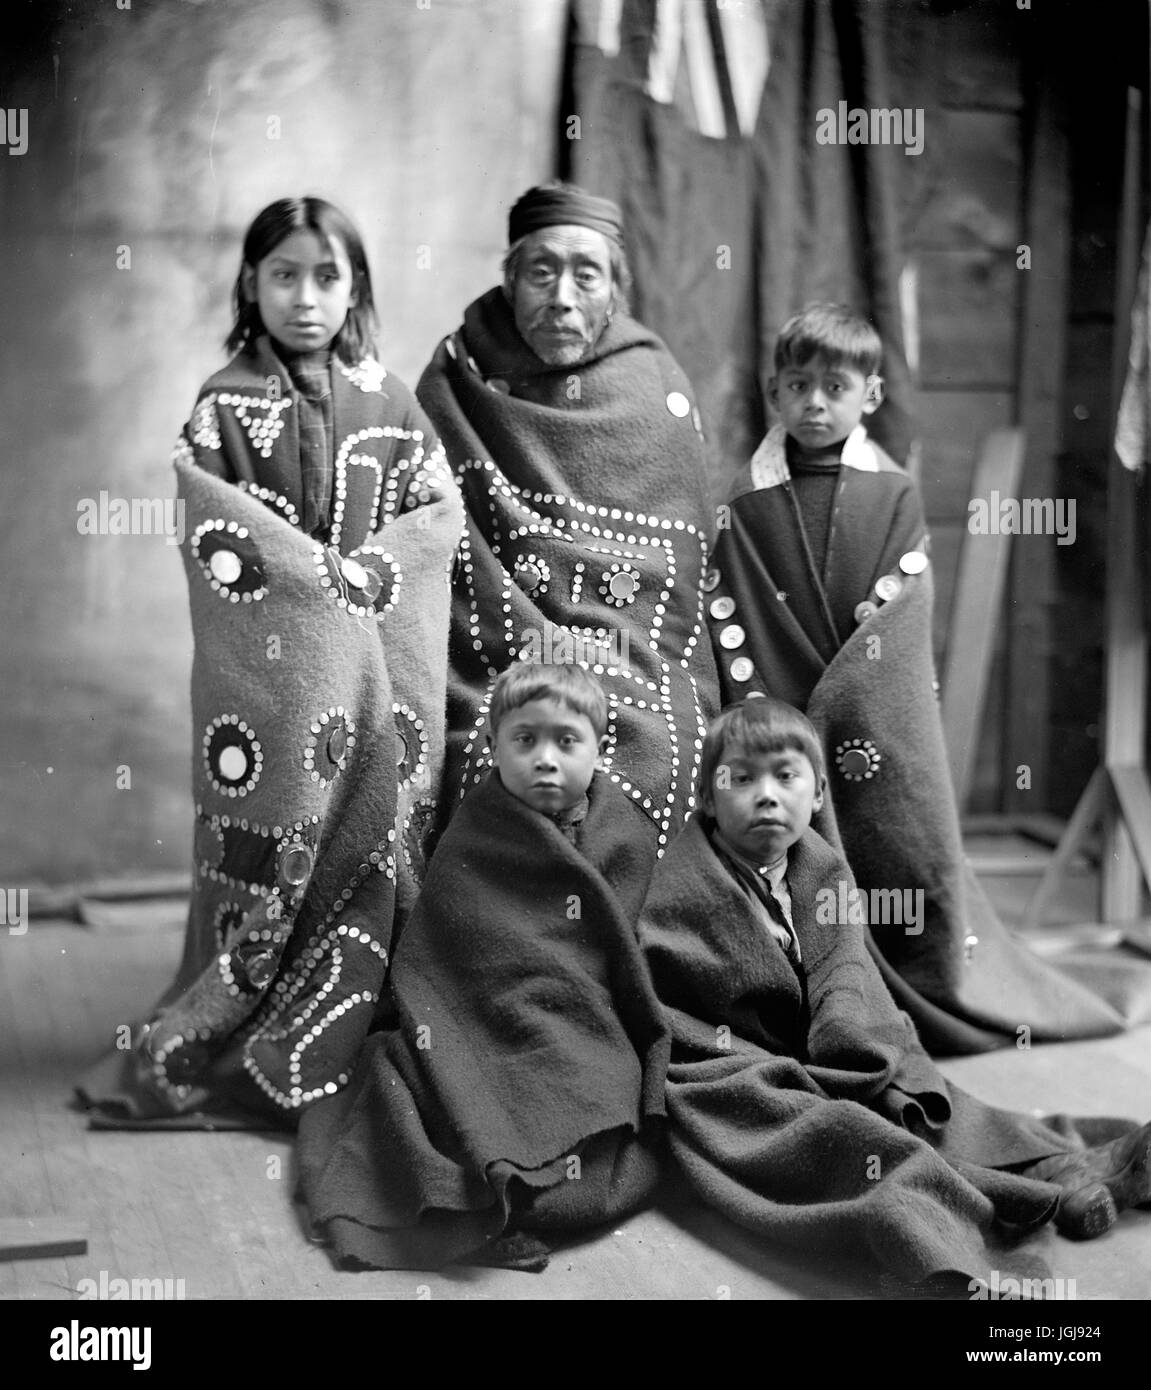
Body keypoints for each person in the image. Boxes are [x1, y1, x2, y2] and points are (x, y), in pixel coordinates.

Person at [77, 197, 463, 1126]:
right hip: (270, 683)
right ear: (250, 283)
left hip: (380, 671)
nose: (304, 297)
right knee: (273, 831)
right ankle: (240, 1019)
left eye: (327, 277)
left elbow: (432, 516)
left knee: (376, 820)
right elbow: (219, 532)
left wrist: (361, 580)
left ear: (355, 288)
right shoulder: (221, 403)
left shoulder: (391, 402)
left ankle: (356, 1016)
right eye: (283, 274)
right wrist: (322, 585)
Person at [703, 302, 1151, 1052]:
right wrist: (792, 714)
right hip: (779, 707)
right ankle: (803, 990)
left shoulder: (894, 493)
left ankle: (909, 981)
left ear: (868, 397)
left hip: (867, 716)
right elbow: (738, 610)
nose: (815, 402)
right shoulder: (743, 505)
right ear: (774, 393)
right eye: (797, 384)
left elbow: (898, 618)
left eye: (835, 386)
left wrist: (841, 702)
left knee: (897, 846)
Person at [640, 696, 1151, 1296]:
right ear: (707, 798)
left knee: (921, 1090)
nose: (767, 795)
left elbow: (847, 971)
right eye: (741, 779)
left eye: (785, 776)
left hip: (837, 1048)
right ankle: (960, 1248)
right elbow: (678, 999)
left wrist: (854, 1040)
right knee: (851, 1143)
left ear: (819, 794)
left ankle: (1062, 1166)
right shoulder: (682, 886)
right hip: (738, 1068)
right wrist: (795, 1066)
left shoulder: (820, 869)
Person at [296, 663, 669, 1270]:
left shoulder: (622, 832)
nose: (545, 759)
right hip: (481, 1007)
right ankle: (491, 1197)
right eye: (525, 740)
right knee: (430, 1079)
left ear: (599, 750)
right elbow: (451, 943)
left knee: (602, 1092)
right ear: (495, 747)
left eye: (566, 741)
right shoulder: (479, 829)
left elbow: (632, 941)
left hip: (581, 1010)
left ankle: (537, 1191)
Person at [416, 181, 719, 870]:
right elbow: (436, 548)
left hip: (631, 652)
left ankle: (630, 958)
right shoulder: (455, 378)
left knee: (653, 746)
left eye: (586, 274)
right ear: (509, 279)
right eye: (541, 271)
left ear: (615, 288)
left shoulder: (652, 389)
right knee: (472, 747)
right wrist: (531, 640)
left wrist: (596, 652)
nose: (561, 296)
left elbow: (674, 573)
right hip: (484, 657)